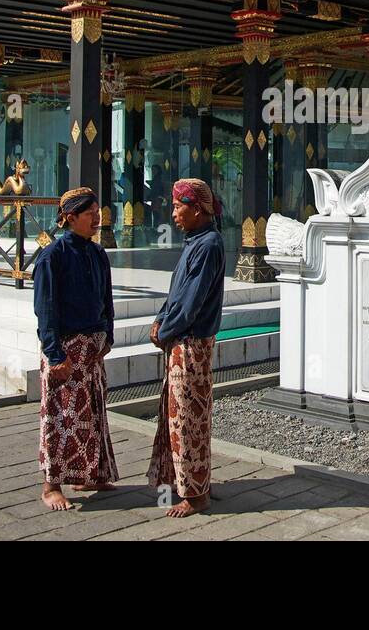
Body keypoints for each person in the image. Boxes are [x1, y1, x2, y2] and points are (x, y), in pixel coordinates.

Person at [34, 186, 118, 510]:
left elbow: (107, 301)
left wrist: (107, 336)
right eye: (90, 215)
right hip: (66, 351)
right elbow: (46, 309)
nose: (97, 219)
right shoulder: (52, 257)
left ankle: (89, 474)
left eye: (98, 214)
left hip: (92, 351)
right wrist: (55, 353)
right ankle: (51, 485)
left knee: (92, 413)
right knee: (60, 417)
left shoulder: (98, 254)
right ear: (70, 218)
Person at [146, 178, 226, 518]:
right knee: (177, 418)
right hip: (181, 341)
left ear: (197, 209)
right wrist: (160, 319)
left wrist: (166, 329)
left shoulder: (208, 245)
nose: (174, 213)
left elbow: (190, 304)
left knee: (189, 422)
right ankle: (185, 483)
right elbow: (176, 294)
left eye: (179, 206)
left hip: (192, 344)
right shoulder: (196, 242)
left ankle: (196, 495)